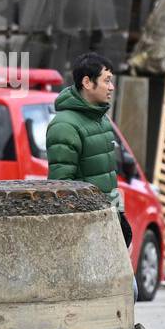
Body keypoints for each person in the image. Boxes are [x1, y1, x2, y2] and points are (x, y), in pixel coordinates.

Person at [46, 52, 133, 248]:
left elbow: (109, 177)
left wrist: (120, 218)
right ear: (87, 82)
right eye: (107, 81)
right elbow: (61, 187)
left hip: (108, 225)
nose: (111, 87)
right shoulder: (65, 126)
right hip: (86, 232)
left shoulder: (101, 120)